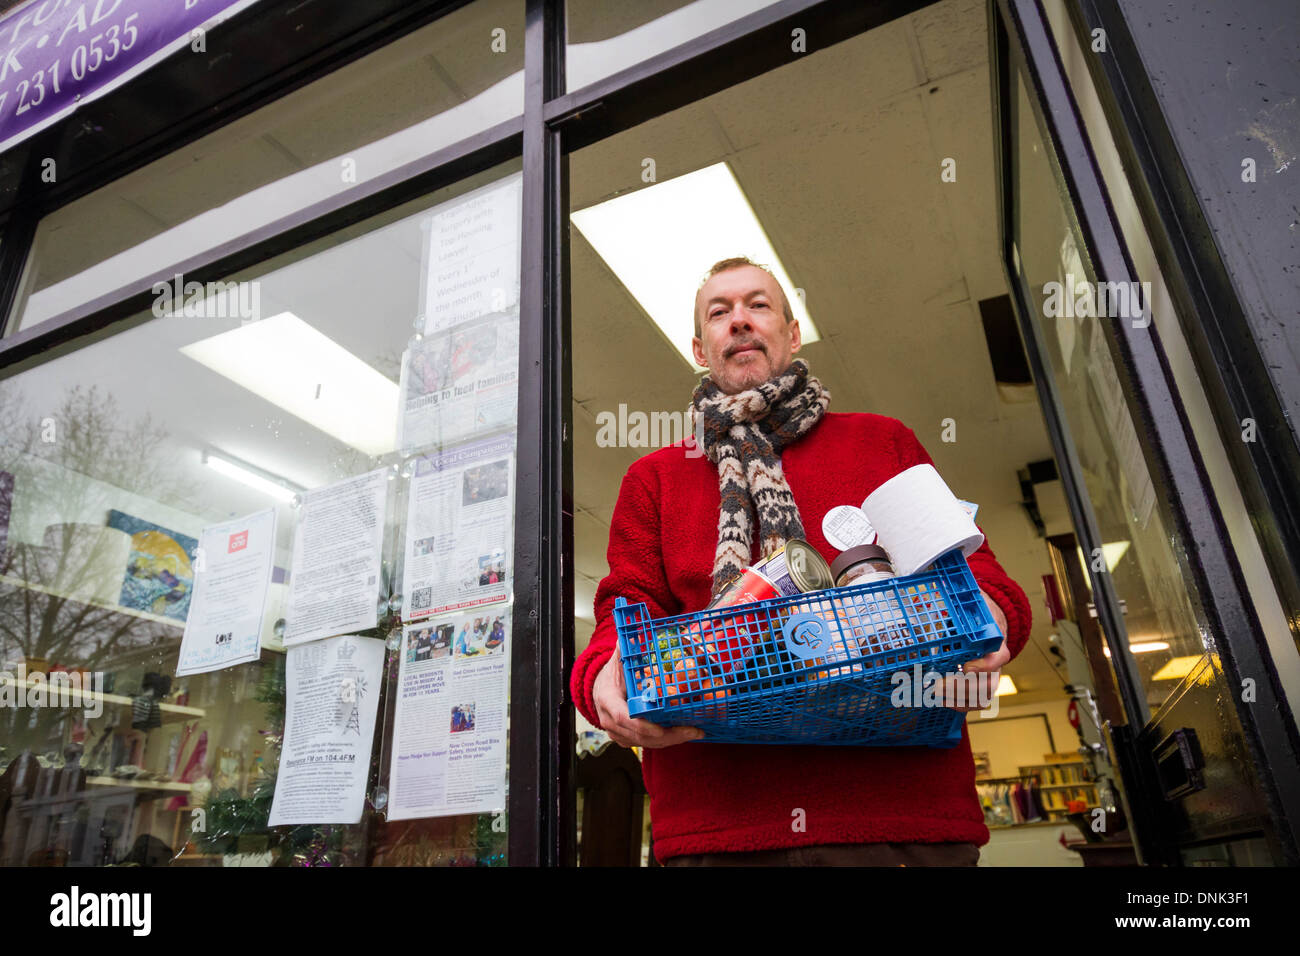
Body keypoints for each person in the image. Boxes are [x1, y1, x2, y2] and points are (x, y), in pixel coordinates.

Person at [569, 257, 1032, 867]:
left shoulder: (880, 442)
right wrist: (603, 678)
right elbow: (623, 610)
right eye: (719, 311)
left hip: (901, 823)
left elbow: (981, 577)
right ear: (699, 348)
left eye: (758, 305)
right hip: (718, 832)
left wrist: (991, 621)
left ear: (792, 333)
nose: (738, 321)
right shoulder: (652, 478)